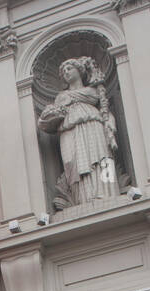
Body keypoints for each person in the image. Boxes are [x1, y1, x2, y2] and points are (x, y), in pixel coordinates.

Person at [36, 56, 120, 207]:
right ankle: (83, 199)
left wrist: (110, 125)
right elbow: (52, 117)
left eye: (69, 69)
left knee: (102, 158)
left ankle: (108, 192)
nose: (66, 72)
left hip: (92, 126)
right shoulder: (61, 97)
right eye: (64, 71)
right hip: (70, 131)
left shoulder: (92, 91)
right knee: (72, 162)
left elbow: (103, 107)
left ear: (79, 71)